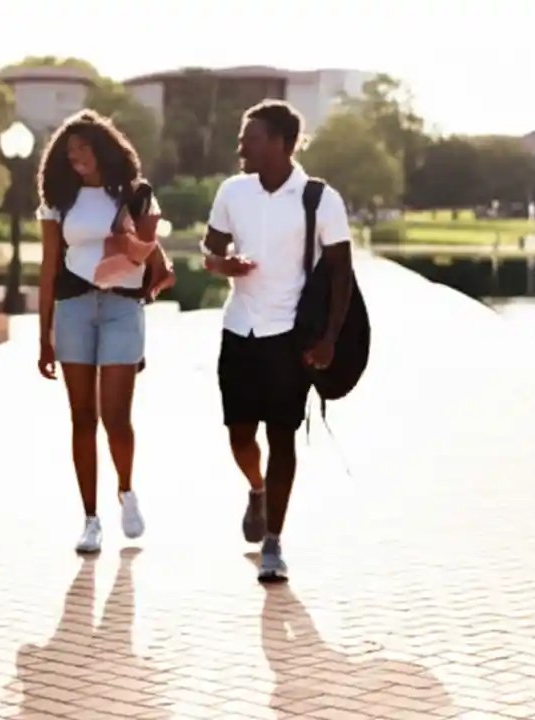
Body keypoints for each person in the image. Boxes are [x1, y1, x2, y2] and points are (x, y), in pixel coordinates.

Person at [201, 100, 354, 582]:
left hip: (290, 335)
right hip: (238, 328)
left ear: (280, 143)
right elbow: (211, 248)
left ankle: (273, 542)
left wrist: (329, 337)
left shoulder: (320, 199)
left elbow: (342, 273)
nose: (240, 145)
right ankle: (257, 488)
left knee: (282, 436)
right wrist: (221, 265)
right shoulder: (232, 191)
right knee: (240, 434)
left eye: (250, 137)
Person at [35, 110, 175, 555]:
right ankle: (90, 519)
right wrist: (44, 334)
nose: (77, 156)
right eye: (70, 150)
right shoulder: (60, 199)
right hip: (73, 308)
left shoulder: (136, 194)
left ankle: (127, 490)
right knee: (82, 418)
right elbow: (49, 265)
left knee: (116, 417)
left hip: (121, 308)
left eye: (84, 147)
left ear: (103, 148)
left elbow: (149, 250)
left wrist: (136, 243)